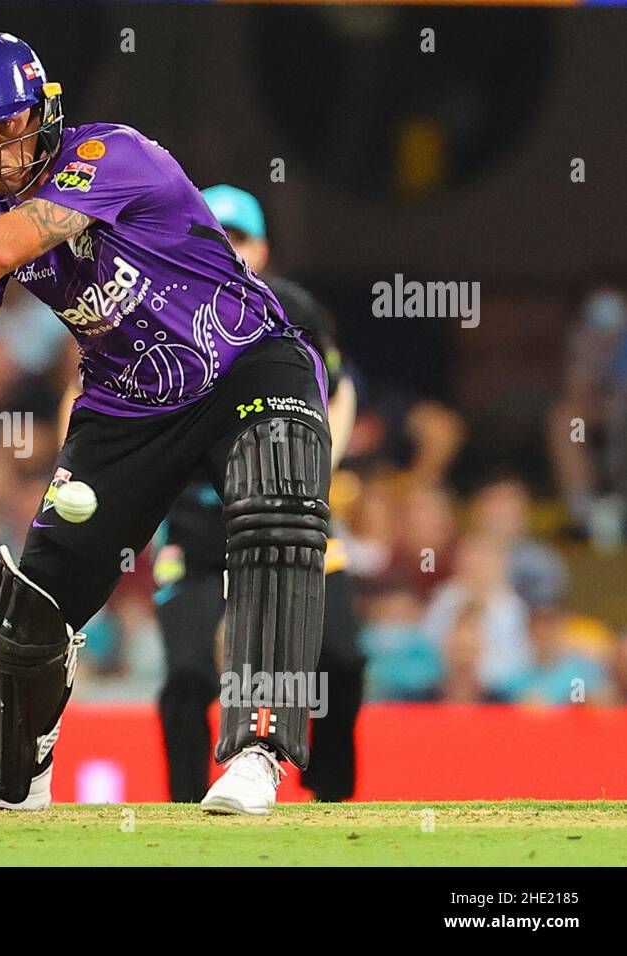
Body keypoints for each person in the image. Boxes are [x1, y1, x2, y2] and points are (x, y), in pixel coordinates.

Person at [0, 33, 332, 815]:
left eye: (2, 127)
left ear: (42, 112)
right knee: (29, 603)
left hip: (246, 361)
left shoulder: (110, 154)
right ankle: (10, 777)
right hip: (128, 399)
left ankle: (257, 754)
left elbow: (9, 243)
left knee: (276, 518)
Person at [147, 186, 365, 804]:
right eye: (215, 236)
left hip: (292, 507)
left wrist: (318, 465)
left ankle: (331, 796)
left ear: (262, 248)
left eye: (238, 238)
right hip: (197, 521)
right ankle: (187, 812)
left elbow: (339, 391)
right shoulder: (158, 311)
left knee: (342, 662)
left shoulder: (296, 308)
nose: (229, 250)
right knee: (188, 679)